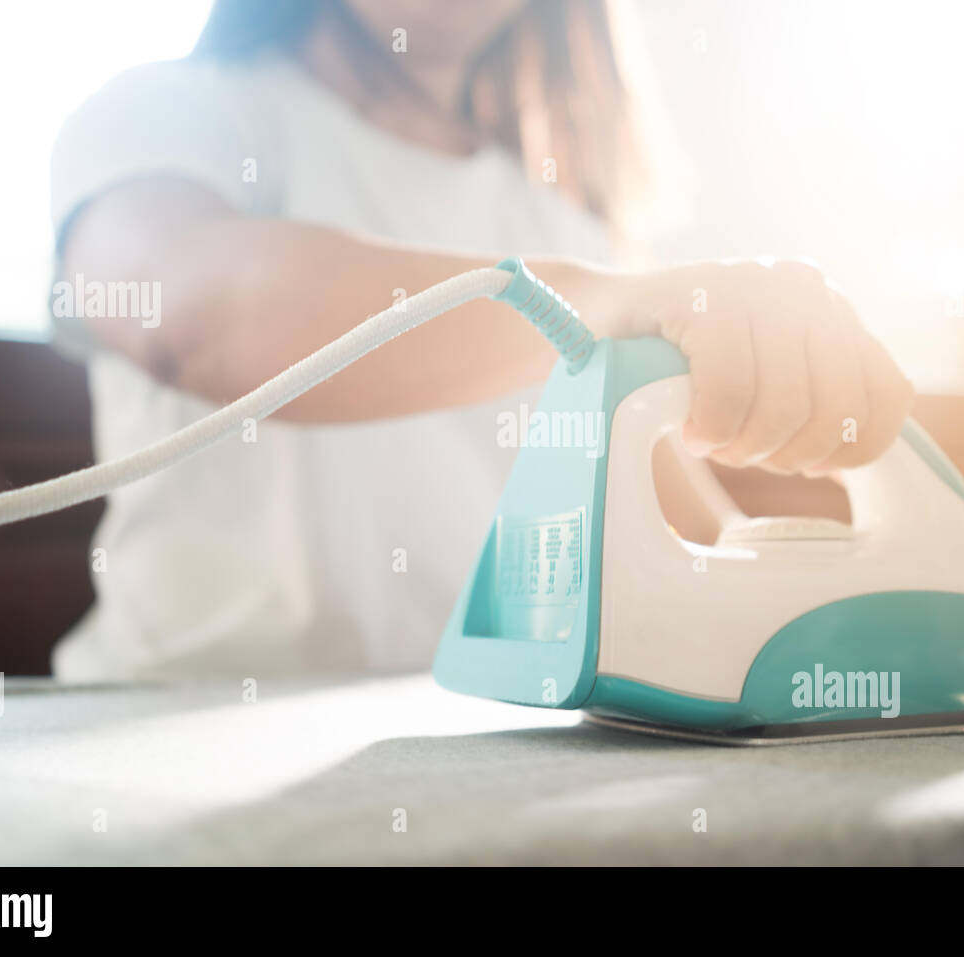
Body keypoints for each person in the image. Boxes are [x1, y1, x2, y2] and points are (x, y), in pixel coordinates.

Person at [49, 0, 913, 680]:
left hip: (454, 743)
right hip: (174, 727)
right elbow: (194, 318)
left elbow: (692, 535)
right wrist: (607, 306)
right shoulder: (168, 116)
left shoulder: (556, 220)